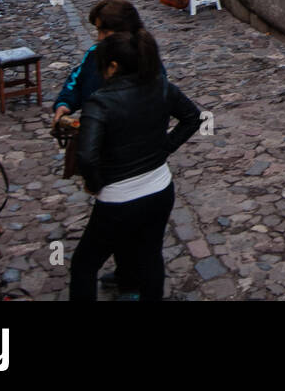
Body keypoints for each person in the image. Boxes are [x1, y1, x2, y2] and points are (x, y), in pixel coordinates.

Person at [71, 29, 200, 301]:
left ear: (114, 66)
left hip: (118, 198)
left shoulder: (100, 103)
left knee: (84, 264)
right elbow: (192, 117)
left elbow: (86, 156)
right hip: (160, 188)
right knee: (151, 255)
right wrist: (164, 148)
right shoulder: (161, 87)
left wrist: (95, 184)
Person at [54, 0, 167, 297]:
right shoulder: (96, 55)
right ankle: (127, 276)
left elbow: (167, 110)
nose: (99, 38)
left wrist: (95, 181)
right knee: (142, 245)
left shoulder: (147, 67)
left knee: (88, 259)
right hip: (141, 174)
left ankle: (129, 276)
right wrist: (64, 104)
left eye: (104, 32)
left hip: (124, 170)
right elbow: (76, 80)